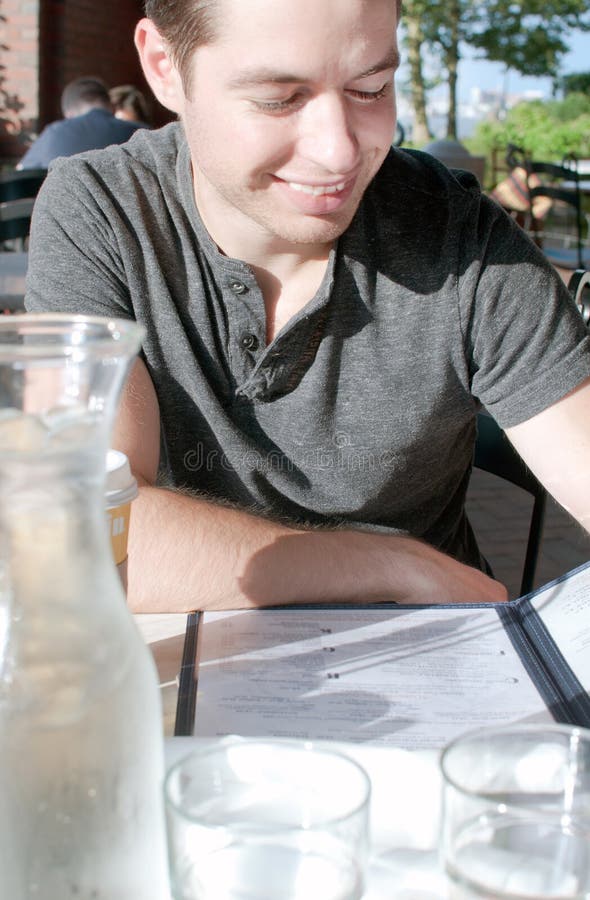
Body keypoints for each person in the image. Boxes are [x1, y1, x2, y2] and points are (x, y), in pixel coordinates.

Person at [25, 0, 590, 614]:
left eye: (370, 88)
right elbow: (79, 538)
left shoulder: (462, 242)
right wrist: (390, 566)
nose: (340, 152)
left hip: (437, 663)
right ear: (165, 65)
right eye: (278, 98)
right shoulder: (104, 211)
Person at [18, 76, 146, 170]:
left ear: (68, 114)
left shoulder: (54, 133)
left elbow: (21, 174)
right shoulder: (143, 134)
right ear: (112, 107)